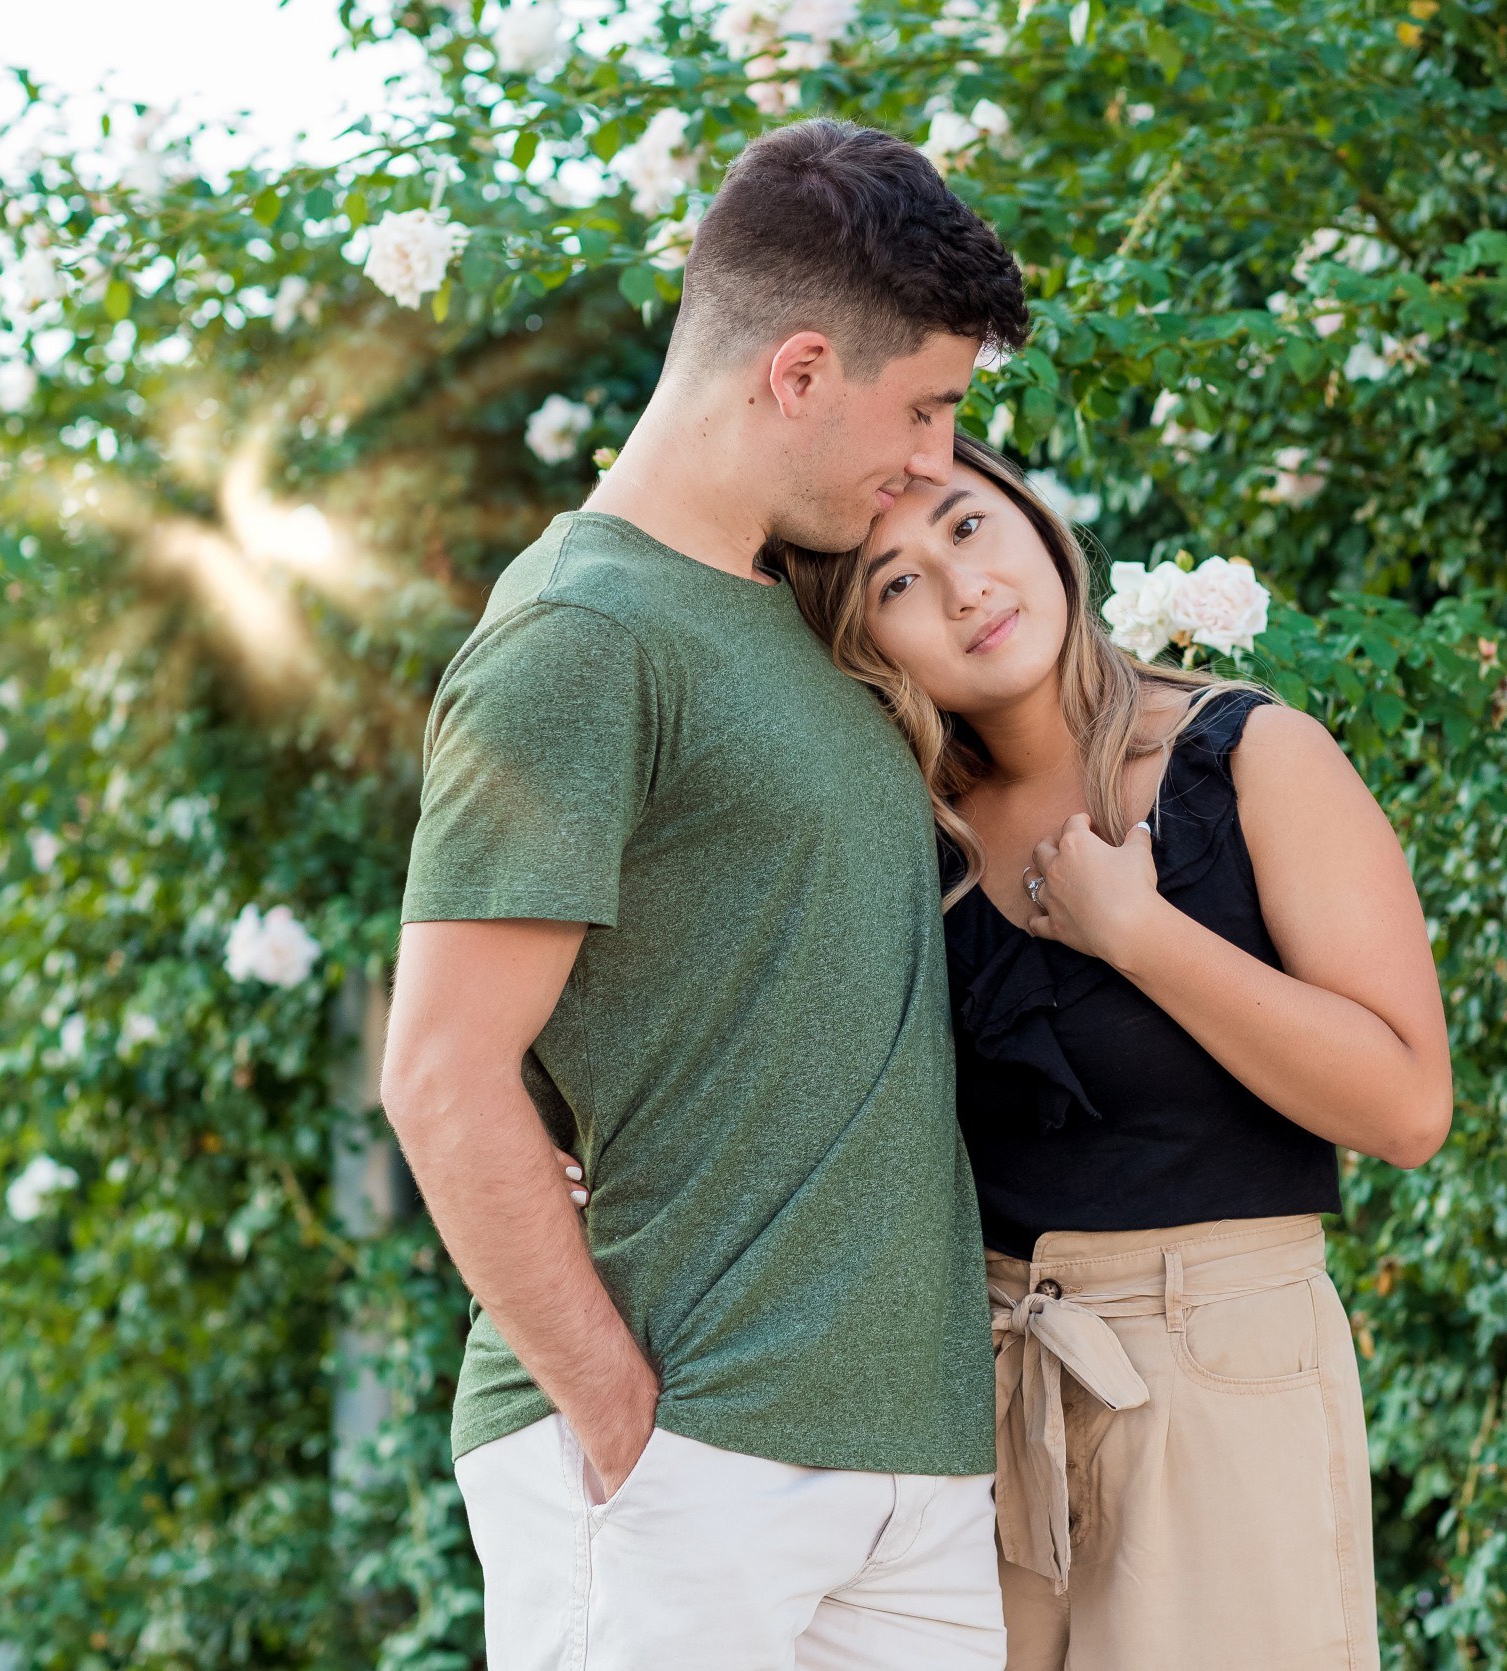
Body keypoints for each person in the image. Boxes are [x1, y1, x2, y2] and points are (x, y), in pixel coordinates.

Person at [377, 119, 1033, 1668]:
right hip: (690, 1451)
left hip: (903, 1460)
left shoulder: (796, 614)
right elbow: (438, 1067)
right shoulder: (579, 637)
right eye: (924, 407)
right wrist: (621, 1425)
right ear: (796, 372)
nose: (937, 456)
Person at [776, 433, 1453, 1671]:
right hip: (967, 1394)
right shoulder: (901, 838)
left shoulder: (1248, 759)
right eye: (895, 582)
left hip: (1215, 1373)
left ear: (1035, 524)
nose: (961, 587)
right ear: (865, 646)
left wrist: (1137, 933)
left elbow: (1406, 1108)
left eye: (967, 527)